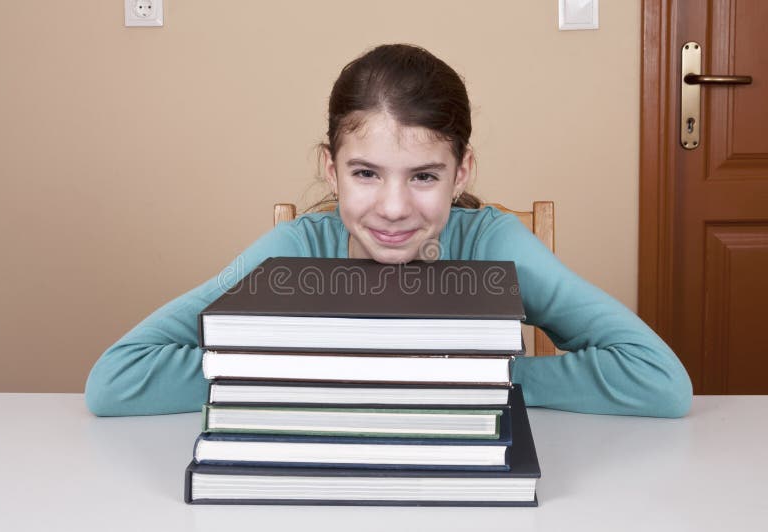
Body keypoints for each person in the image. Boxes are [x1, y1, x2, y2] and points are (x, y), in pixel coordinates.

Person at [85, 44, 692, 417]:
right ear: (331, 170)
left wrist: (469, 376)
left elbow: (659, 381)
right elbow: (116, 380)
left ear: (462, 172)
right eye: (367, 173)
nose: (394, 208)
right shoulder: (293, 253)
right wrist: (323, 369)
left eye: (425, 175)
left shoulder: (496, 246)